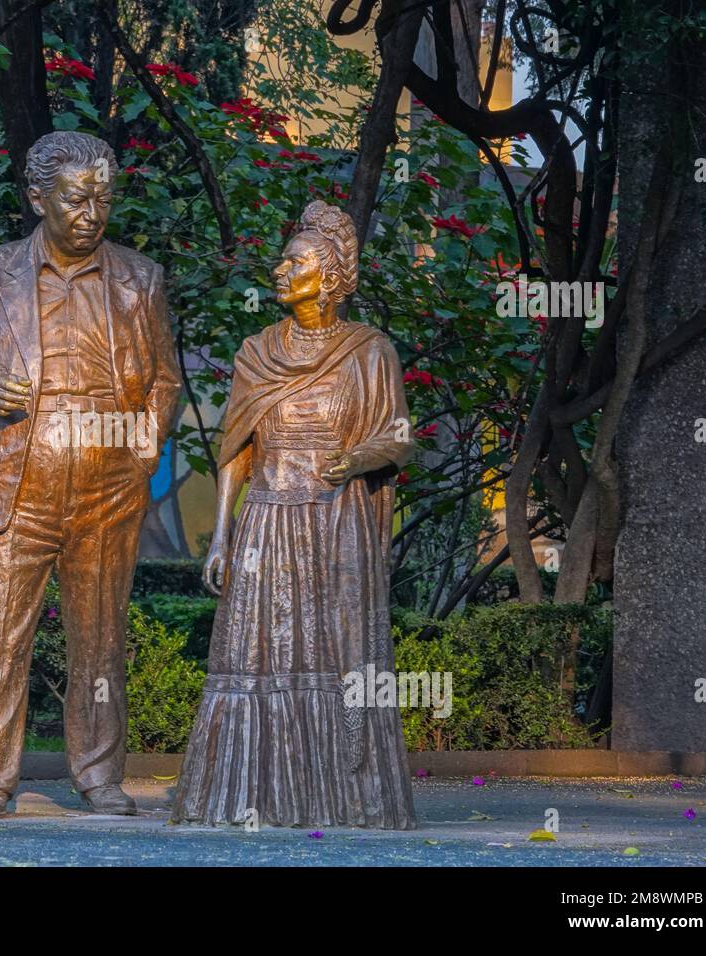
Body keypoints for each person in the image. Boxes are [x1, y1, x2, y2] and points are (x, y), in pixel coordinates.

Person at [0, 131, 181, 819]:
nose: (91, 213)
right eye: (76, 198)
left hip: (107, 486)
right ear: (38, 197)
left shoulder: (139, 279)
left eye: (102, 199)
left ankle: (99, 776)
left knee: (99, 639)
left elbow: (164, 383)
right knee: (1, 639)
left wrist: (141, 456)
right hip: (17, 478)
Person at [170, 200, 417, 829]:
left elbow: (399, 436)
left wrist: (360, 456)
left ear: (330, 278)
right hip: (268, 521)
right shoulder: (257, 352)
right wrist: (220, 536)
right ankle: (248, 793)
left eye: (295, 261)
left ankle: (345, 797)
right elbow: (235, 451)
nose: (280, 270)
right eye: (283, 260)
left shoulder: (370, 351)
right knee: (256, 657)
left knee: (337, 654)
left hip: (336, 521)